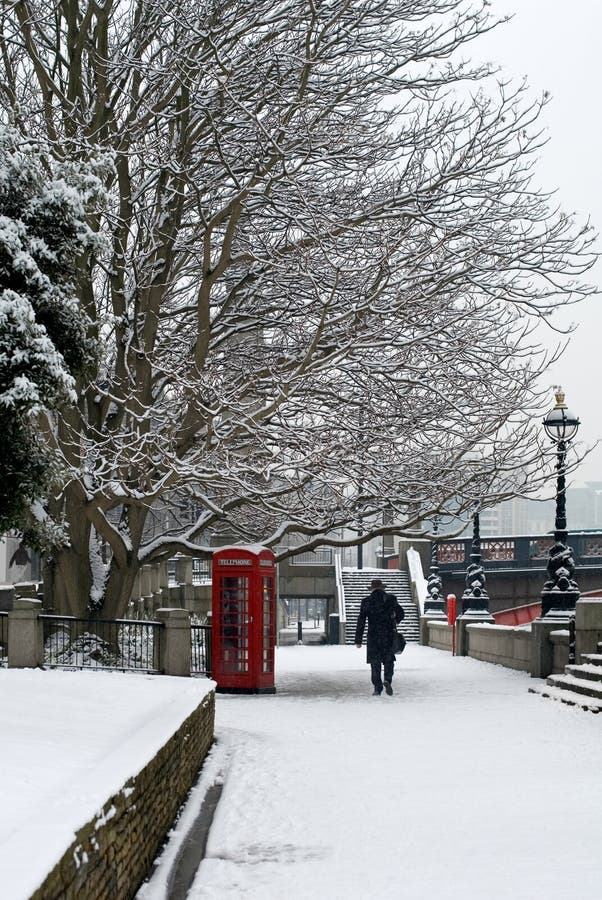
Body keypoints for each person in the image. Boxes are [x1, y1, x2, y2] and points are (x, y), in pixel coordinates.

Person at [355, 578, 404, 696]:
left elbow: (361, 621)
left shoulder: (366, 601)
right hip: (388, 635)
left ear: (372, 588)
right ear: (382, 587)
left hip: (373, 636)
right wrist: (395, 619)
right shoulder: (391, 599)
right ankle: (387, 679)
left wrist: (358, 640)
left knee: (375, 662)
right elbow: (401, 614)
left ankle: (377, 687)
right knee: (389, 660)